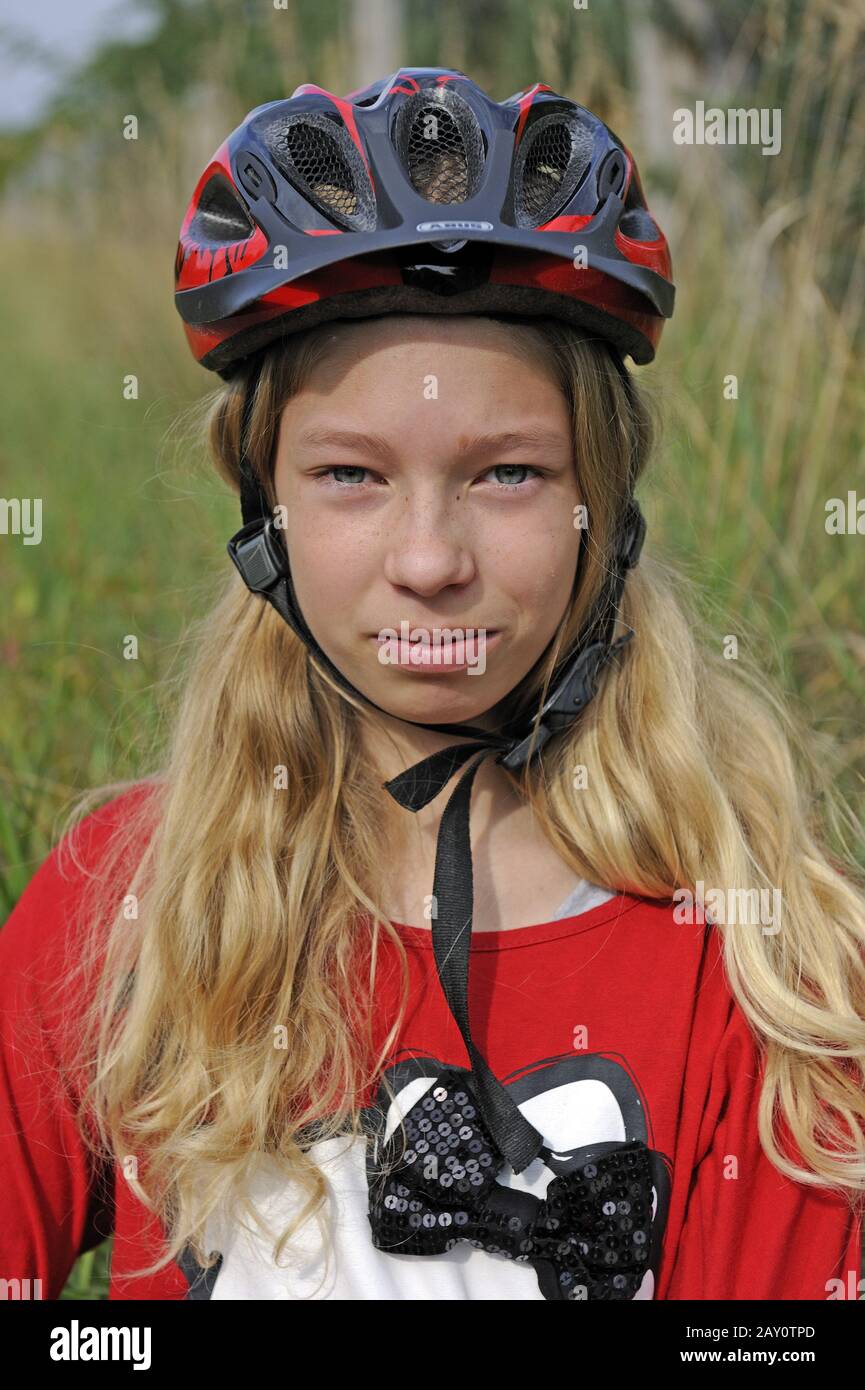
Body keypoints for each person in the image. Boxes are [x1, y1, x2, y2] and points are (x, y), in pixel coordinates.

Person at [2, 67, 864, 1303]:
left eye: (506, 474)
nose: (429, 562)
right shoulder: (124, 909)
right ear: (266, 515)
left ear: (599, 510)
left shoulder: (767, 969)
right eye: (351, 475)